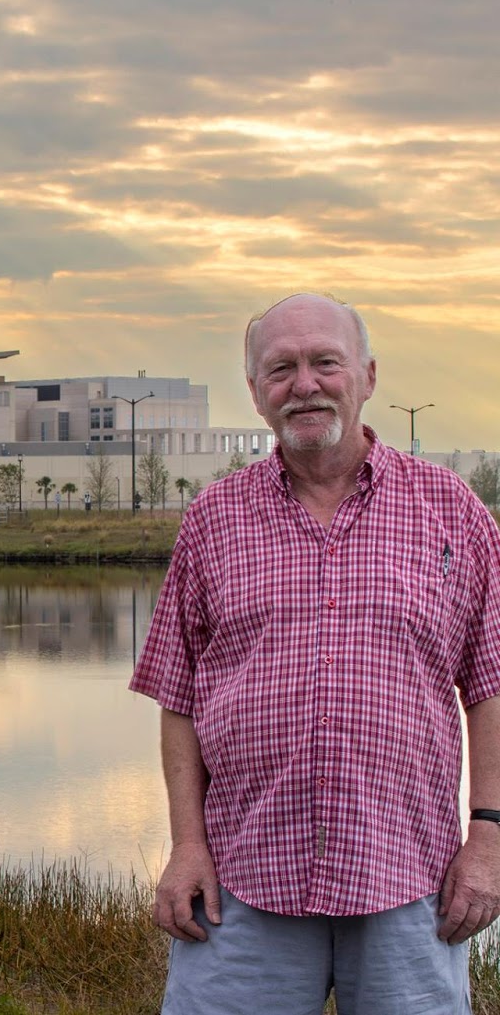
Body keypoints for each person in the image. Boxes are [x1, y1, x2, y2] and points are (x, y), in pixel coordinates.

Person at [131, 292, 500, 1013]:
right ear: (256, 391)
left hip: (410, 880)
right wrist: (186, 844)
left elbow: (490, 687)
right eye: (282, 367)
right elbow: (179, 698)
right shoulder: (212, 520)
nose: (304, 384)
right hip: (242, 881)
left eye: (324, 362)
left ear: (365, 373)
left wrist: (487, 838)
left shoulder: (454, 512)